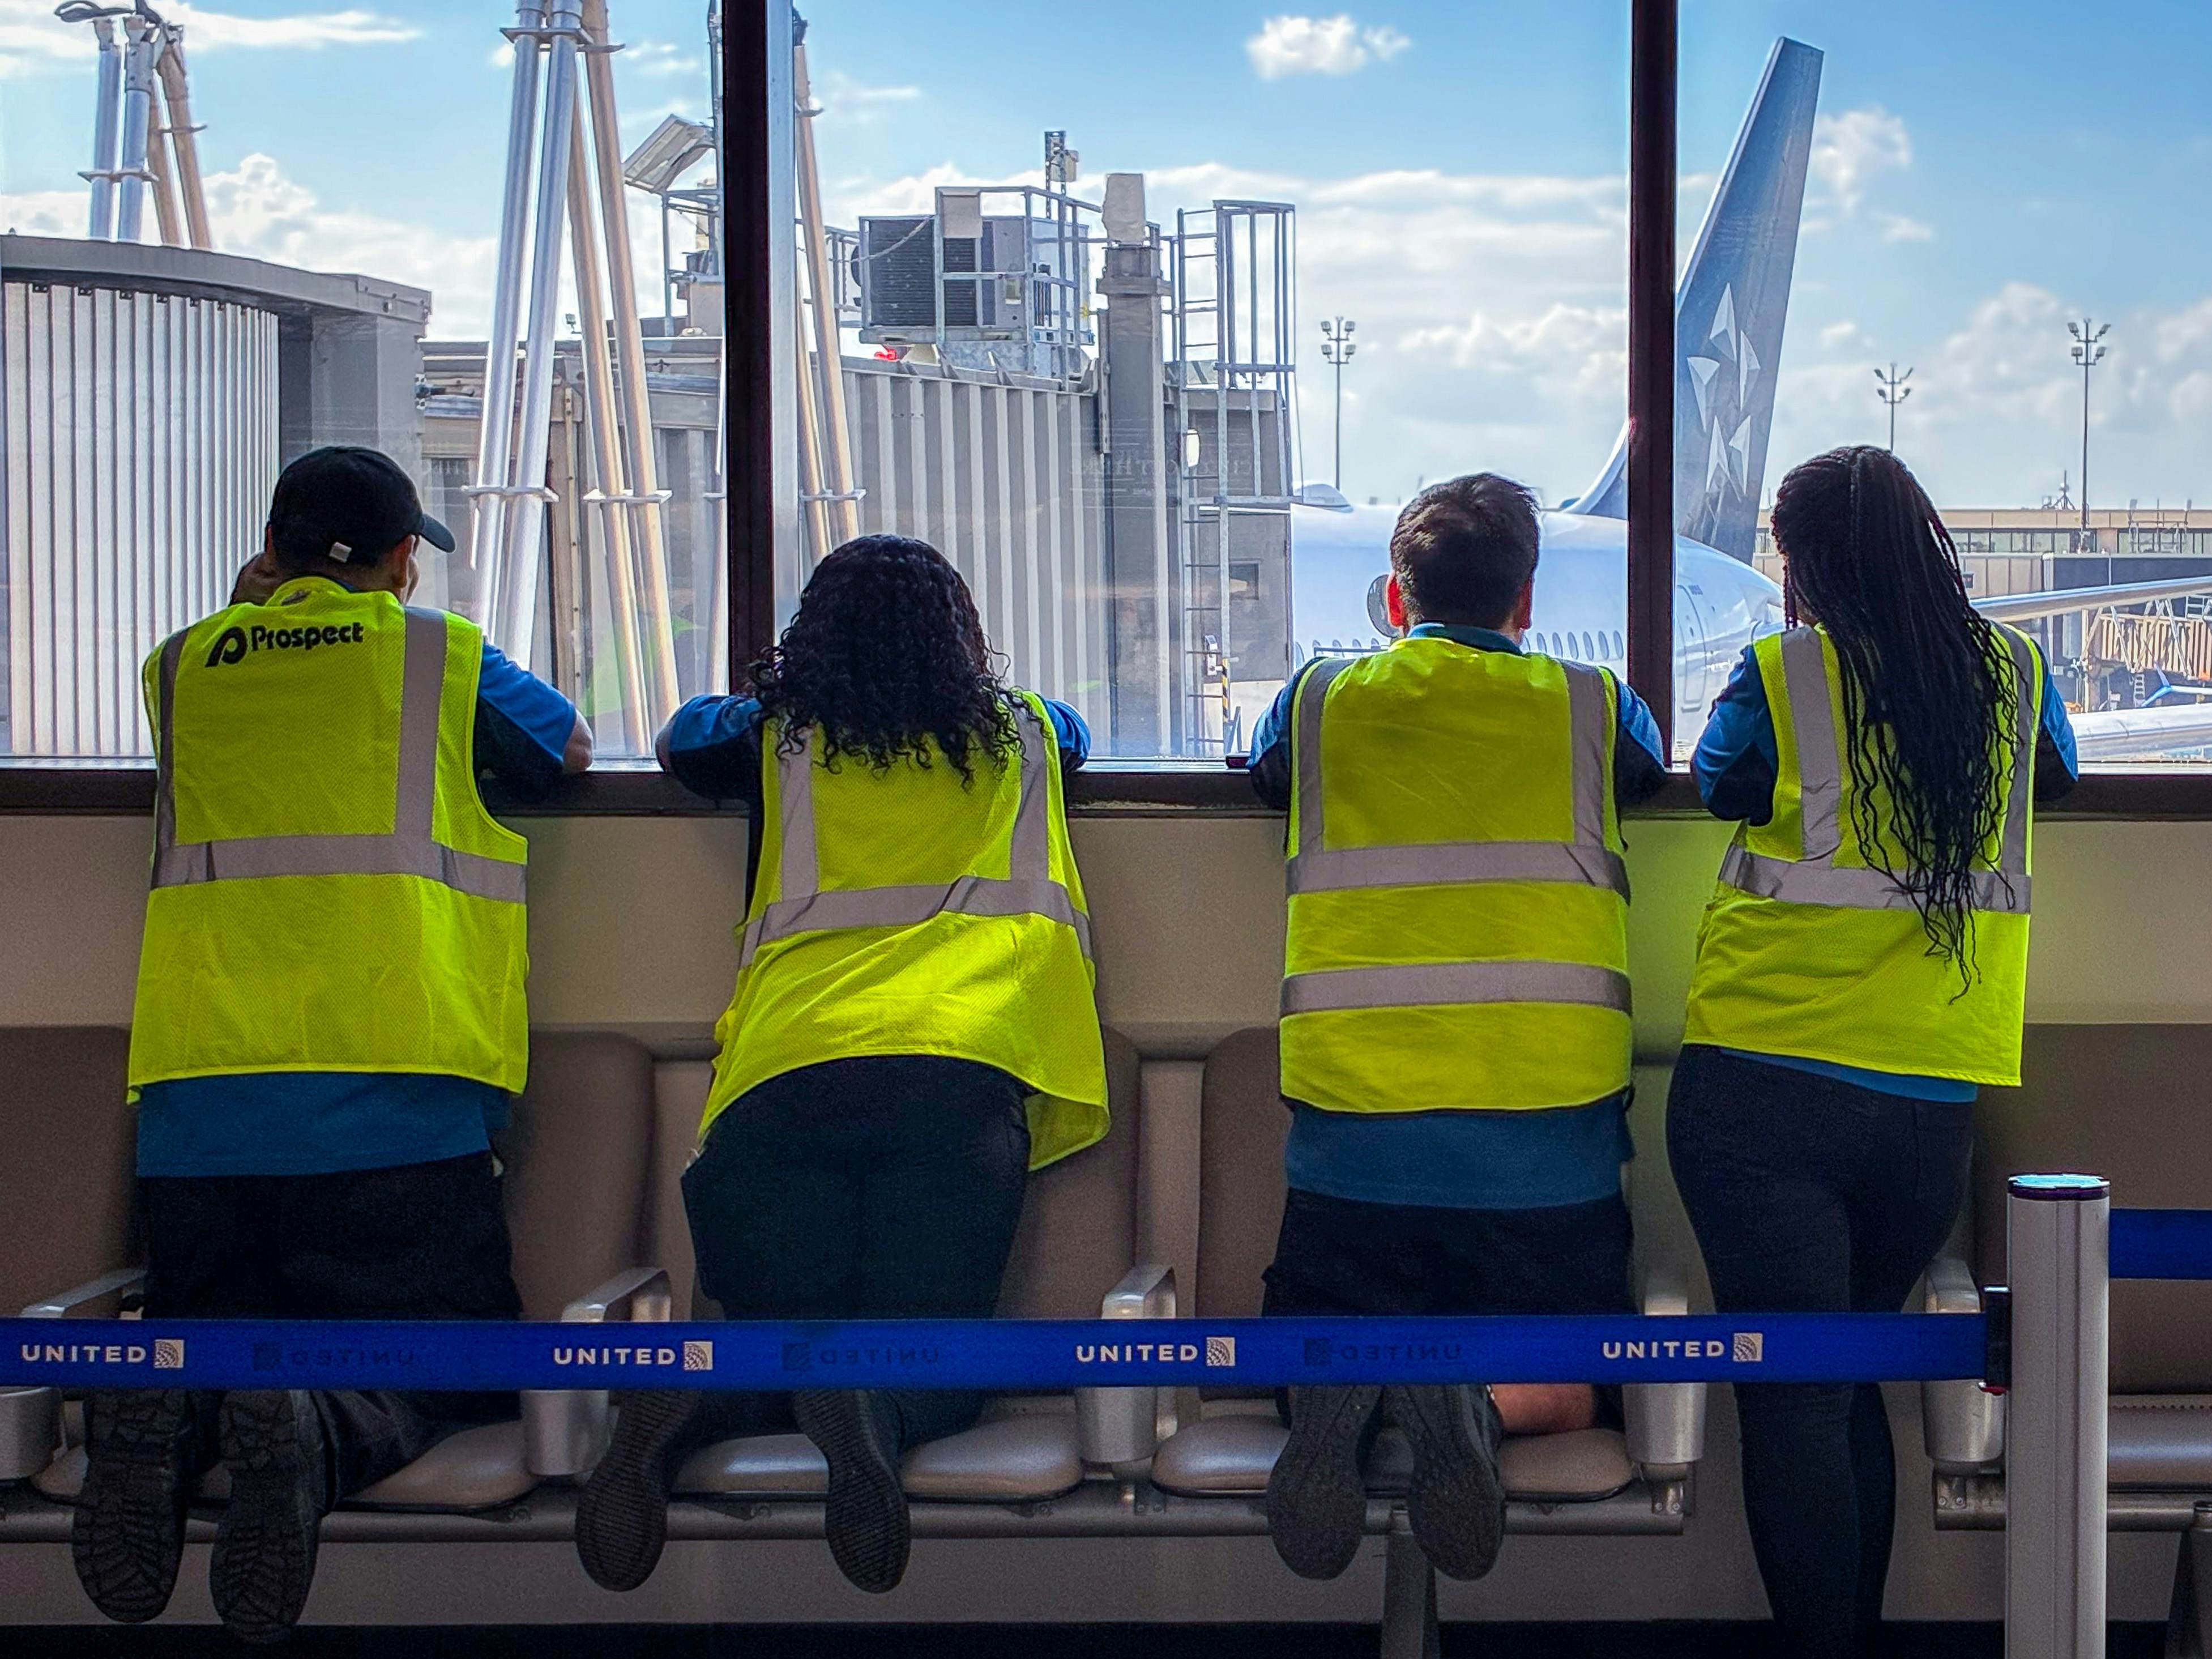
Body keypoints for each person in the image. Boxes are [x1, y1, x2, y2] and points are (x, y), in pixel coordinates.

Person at [75, 445, 591, 1644]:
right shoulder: (434, 655)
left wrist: (261, 606)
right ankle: (316, 1428)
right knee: (450, 1365)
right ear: (404, 559)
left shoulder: (184, 663)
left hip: (201, 1107)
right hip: (389, 1094)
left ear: (276, 547)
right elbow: (561, 753)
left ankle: (166, 1418)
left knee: (218, 1340)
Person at [574, 533, 1109, 1597]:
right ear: (962, 639)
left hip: (784, 1082)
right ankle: (872, 1415)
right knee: (928, 1364)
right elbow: (1084, 732)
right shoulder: (1031, 733)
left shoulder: (774, 740)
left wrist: (782, 690)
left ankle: (677, 1412)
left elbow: (684, 735)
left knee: (771, 1347)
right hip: (956, 1081)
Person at [1671, 445, 2077, 1659]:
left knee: (1792, 1398)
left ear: (1800, 566)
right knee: (1853, 1386)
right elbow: (2052, 775)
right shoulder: (2013, 671)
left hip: (1763, 1085)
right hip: (1929, 1101)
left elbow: (1718, 784)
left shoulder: (1783, 673)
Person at [1244, 474, 1667, 1583]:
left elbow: (1263, 771)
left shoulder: (1319, 699)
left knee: (1302, 1360)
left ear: (1395, 598)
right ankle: (1470, 1403)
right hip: (1547, 1154)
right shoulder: (1593, 702)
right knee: (1589, 1380)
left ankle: (1351, 1403)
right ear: (1526, 600)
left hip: (1356, 1140)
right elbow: (1652, 766)